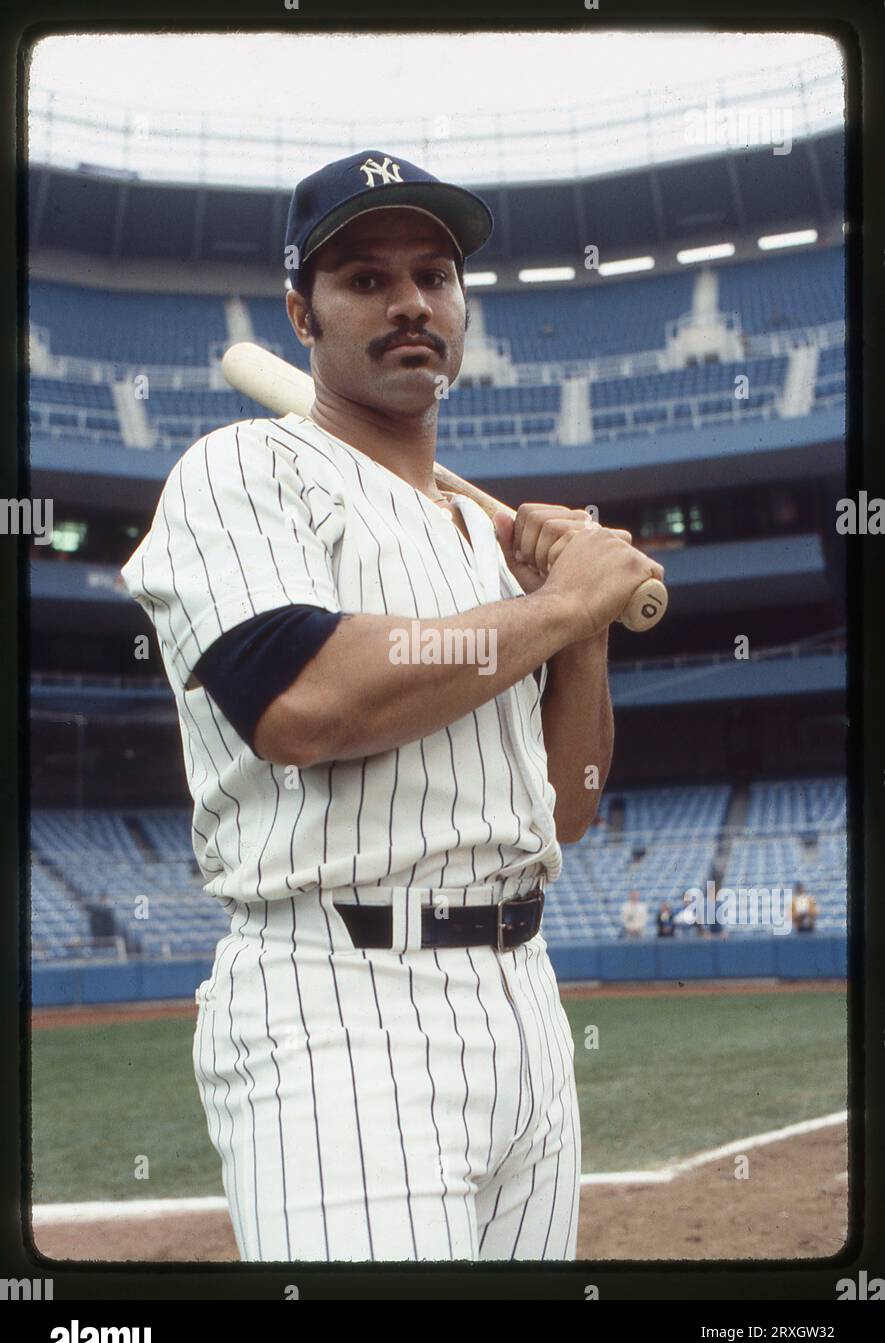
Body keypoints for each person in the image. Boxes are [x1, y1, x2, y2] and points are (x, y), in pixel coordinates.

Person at [120, 147, 664, 1263]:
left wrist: (587, 628)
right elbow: (304, 700)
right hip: (340, 1002)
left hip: (525, 997)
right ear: (300, 315)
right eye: (365, 278)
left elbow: (566, 807)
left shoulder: (482, 536)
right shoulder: (244, 469)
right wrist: (560, 607)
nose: (411, 300)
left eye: (435, 275)